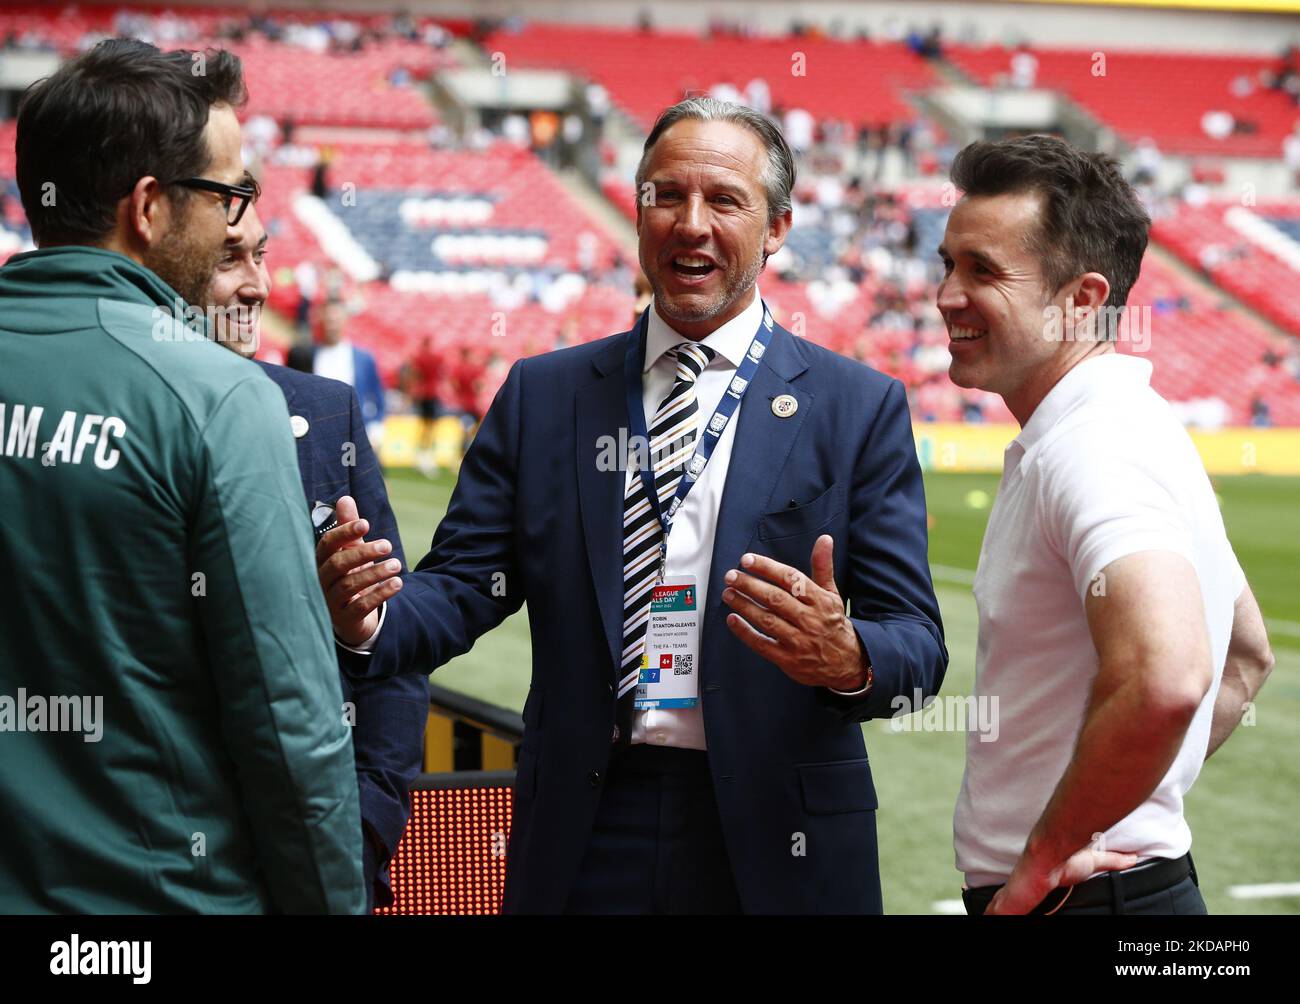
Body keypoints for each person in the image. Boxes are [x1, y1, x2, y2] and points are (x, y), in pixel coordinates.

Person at [319, 97, 946, 914]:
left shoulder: (854, 406)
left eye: (724, 200)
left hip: (775, 832)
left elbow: (918, 648)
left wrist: (849, 655)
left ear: (779, 228)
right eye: (665, 195)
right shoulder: (544, 395)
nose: (690, 223)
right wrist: (363, 618)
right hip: (588, 819)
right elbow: (466, 585)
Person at [0, 39, 363, 913]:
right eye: (228, 194)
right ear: (150, 207)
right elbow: (289, 725)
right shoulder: (218, 395)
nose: (238, 220)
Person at [938, 134, 1275, 915]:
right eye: (948, 264)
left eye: (983, 270)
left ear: (1082, 301)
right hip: (1122, 892)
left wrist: (1042, 862)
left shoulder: (1095, 445)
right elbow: (1246, 656)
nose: (948, 293)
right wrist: (1122, 809)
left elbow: (1168, 677)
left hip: (1080, 902)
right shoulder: (1121, 423)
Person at [207, 194, 428, 912]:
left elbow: (392, 648)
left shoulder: (327, 410)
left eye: (261, 255)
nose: (258, 285)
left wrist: (366, 822)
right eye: (226, 258)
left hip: (319, 859)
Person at [289, 300, 386, 451]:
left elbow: (377, 395)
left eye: (336, 320)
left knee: (355, 470)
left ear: (345, 320)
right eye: (328, 320)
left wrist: (376, 427)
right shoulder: (310, 355)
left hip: (354, 435)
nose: (332, 325)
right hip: (318, 435)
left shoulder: (363, 358)